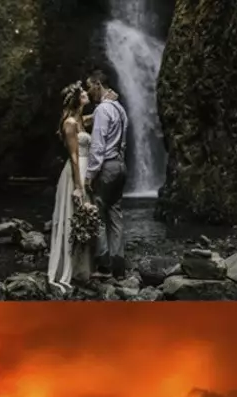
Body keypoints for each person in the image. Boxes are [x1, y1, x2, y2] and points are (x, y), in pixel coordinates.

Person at [47, 81, 94, 292]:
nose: (86, 93)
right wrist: (78, 185)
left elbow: (93, 118)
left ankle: (80, 268)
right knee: (73, 216)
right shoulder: (70, 123)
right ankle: (66, 270)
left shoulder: (80, 121)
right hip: (75, 173)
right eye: (83, 92)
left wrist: (107, 105)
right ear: (77, 99)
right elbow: (74, 156)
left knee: (82, 218)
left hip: (84, 169)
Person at [83, 69, 129, 279]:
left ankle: (103, 265)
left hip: (107, 166)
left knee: (98, 213)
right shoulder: (120, 108)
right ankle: (119, 267)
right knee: (115, 215)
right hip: (120, 165)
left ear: (98, 85)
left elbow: (98, 144)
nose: (88, 91)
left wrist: (91, 173)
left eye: (89, 86)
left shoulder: (103, 110)